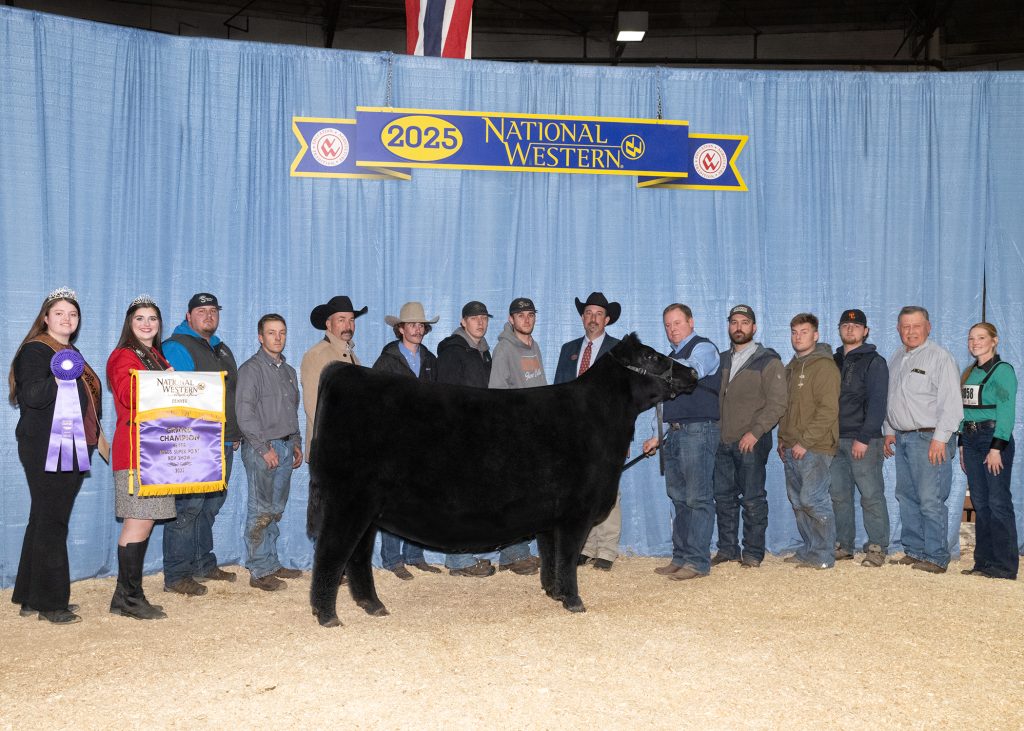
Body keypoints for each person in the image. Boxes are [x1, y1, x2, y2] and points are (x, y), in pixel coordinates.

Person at [8, 287, 102, 624]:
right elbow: (32, 395)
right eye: (59, 313)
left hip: (69, 444)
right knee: (52, 521)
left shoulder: (71, 352)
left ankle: (29, 595)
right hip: (47, 445)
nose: (67, 319)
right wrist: (59, 379)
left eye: (72, 314)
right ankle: (50, 602)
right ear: (45, 318)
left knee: (42, 518)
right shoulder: (36, 350)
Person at [161, 293, 240, 595]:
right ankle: (177, 573)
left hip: (224, 438)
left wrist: (234, 432)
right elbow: (180, 394)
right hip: (193, 439)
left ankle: (202, 563)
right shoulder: (176, 346)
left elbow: (231, 392)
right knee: (188, 507)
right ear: (188, 315)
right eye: (201, 311)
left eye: (213, 311)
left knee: (210, 505)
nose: (208, 316)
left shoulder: (221, 347)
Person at [106, 296, 175, 620]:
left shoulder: (157, 357)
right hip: (137, 451)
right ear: (129, 324)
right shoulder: (123, 356)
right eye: (140, 319)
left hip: (156, 450)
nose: (147, 324)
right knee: (138, 522)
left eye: (152, 319)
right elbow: (128, 394)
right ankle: (130, 598)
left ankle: (125, 595)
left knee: (144, 522)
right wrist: (166, 384)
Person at [641, 304, 721, 580]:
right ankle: (681, 557)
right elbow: (663, 404)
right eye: (667, 325)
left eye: (677, 322)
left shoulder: (704, 348)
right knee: (678, 498)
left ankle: (698, 562)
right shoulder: (671, 357)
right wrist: (656, 435)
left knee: (697, 498)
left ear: (691, 322)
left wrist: (658, 366)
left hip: (698, 429)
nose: (672, 329)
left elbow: (692, 372)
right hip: (674, 432)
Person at [883, 306, 963, 574]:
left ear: (928, 327)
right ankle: (915, 550)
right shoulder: (896, 357)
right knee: (906, 497)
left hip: (930, 438)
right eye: (905, 326)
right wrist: (889, 429)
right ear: (898, 329)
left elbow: (952, 404)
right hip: (903, 437)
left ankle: (937, 556)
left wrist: (940, 439)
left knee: (930, 499)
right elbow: (891, 398)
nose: (911, 331)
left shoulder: (940, 357)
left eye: (916, 326)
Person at [372, 301, 443, 579]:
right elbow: (375, 399)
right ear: (400, 329)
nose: (417, 329)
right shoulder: (387, 361)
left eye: (421, 325)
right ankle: (392, 560)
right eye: (411, 324)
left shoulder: (430, 360)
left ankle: (415, 555)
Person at [713, 304, 787, 569]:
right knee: (723, 498)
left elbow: (778, 403)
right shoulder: (720, 360)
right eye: (734, 322)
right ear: (729, 326)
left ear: (754, 327)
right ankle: (727, 549)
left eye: (744, 322)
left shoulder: (768, 361)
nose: (739, 327)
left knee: (753, 499)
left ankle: (753, 553)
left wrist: (755, 433)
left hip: (751, 442)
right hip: (722, 441)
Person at [554, 292, 622, 571]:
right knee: (579, 490)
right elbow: (559, 390)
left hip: (606, 431)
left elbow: (623, 395)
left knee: (607, 489)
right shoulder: (568, 349)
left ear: (607, 319)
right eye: (589, 313)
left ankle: (606, 549)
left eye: (598, 314)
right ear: (583, 317)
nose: (593, 318)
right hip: (573, 432)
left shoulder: (618, 350)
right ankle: (586, 546)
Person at [237, 314, 304, 591]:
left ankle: (271, 562)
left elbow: (292, 410)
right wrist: (264, 448)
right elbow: (244, 413)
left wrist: (296, 442)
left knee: (275, 509)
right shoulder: (251, 370)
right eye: (271, 332)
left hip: (286, 446)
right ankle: (259, 569)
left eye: (282, 332)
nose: (278, 337)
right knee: (261, 509)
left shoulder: (288, 372)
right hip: (263, 448)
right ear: (260, 337)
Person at [436, 300, 498, 578]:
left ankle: (464, 555)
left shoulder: (483, 352)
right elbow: (446, 396)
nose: (480, 322)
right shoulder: (453, 351)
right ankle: (458, 560)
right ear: (463, 322)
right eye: (474, 318)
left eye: (484, 318)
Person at [487, 297, 545, 575]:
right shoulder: (504, 350)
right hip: (515, 434)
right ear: (511, 320)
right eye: (520, 315)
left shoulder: (535, 347)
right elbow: (497, 395)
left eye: (530, 314)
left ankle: (516, 553)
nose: (526, 319)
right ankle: (513, 554)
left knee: (527, 496)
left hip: (535, 433)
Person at [777, 313, 840, 570]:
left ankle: (823, 554)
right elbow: (785, 407)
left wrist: (805, 442)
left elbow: (828, 410)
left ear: (816, 335)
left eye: (804, 332)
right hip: (792, 445)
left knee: (813, 499)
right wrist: (782, 439)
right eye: (794, 332)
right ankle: (809, 549)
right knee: (798, 501)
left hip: (815, 446)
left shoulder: (825, 367)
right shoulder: (791, 367)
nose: (798, 337)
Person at [829, 309, 890, 568]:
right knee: (839, 495)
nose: (850, 329)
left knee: (871, 494)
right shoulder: (832, 361)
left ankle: (877, 546)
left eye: (855, 326)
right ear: (839, 330)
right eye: (845, 325)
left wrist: (864, 437)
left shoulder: (875, 362)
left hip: (864, 439)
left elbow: (878, 403)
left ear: (865, 331)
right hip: (834, 439)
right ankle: (843, 544)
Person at [958, 322, 1018, 580]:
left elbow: (1006, 412)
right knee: (980, 502)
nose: (975, 343)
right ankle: (983, 562)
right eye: (971, 338)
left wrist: (996, 448)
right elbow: (963, 411)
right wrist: (962, 443)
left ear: (995, 340)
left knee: (998, 502)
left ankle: (1004, 566)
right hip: (971, 439)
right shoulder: (969, 372)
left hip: (992, 438)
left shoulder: (1003, 371)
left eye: (981, 337)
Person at [300, 295, 366, 462]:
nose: (348, 326)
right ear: (328, 324)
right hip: (329, 447)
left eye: (351, 320)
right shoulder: (317, 355)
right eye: (341, 320)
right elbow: (313, 406)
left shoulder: (353, 356)